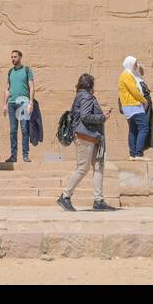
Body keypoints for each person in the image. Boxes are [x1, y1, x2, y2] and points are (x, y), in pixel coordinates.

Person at [57, 73, 117, 212]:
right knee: (83, 168)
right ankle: (65, 196)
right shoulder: (86, 96)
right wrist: (102, 117)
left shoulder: (80, 95)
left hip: (91, 137)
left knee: (98, 166)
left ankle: (98, 200)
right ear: (91, 85)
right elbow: (85, 116)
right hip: (86, 137)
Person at [3, 49, 35, 163]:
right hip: (11, 104)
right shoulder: (10, 71)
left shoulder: (27, 70)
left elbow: (31, 87)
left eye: (15, 57)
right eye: (11, 57)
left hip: (24, 103)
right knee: (13, 130)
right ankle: (13, 155)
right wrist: (4, 104)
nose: (13, 59)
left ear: (20, 57)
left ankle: (25, 155)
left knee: (24, 129)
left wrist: (31, 103)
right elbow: (7, 89)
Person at [118, 55, 150, 157]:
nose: (136, 65)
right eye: (135, 64)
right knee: (144, 127)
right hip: (133, 105)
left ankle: (133, 154)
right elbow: (134, 91)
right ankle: (138, 153)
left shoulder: (127, 74)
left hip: (129, 106)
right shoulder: (127, 75)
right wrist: (144, 100)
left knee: (133, 129)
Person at [136, 61, 153, 151]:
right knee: (141, 129)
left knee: (146, 129)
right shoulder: (134, 81)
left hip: (146, 107)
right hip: (141, 108)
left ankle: (140, 150)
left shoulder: (140, 80)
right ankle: (138, 151)